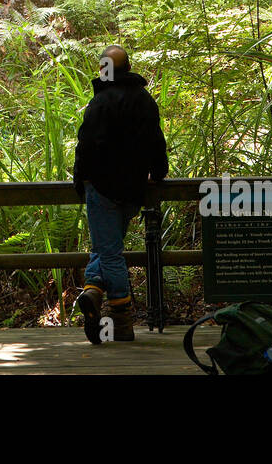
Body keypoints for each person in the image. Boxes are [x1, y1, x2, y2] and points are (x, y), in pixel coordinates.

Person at [72, 45, 168, 344]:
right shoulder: (144, 100)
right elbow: (156, 141)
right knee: (107, 245)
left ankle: (120, 322)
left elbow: (85, 144)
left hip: (101, 188)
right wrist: (159, 172)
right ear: (128, 68)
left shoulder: (100, 102)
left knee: (109, 252)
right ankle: (92, 291)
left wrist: (80, 179)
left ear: (104, 69)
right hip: (133, 189)